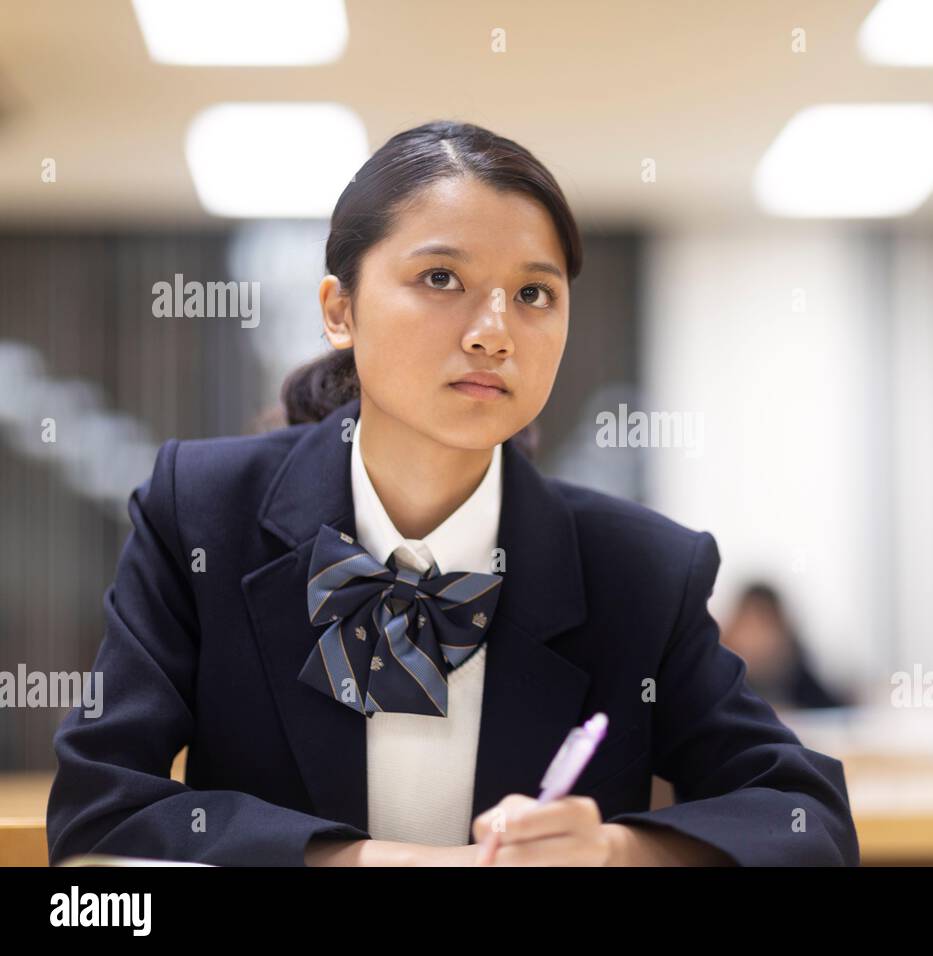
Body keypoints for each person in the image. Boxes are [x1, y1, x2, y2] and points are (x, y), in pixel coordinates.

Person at [45, 120, 858, 867]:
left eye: (535, 294)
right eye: (441, 277)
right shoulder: (200, 512)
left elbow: (806, 820)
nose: (494, 329)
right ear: (340, 309)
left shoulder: (640, 568)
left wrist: (611, 852)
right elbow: (99, 815)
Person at [722, 583, 851, 712]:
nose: (757, 637)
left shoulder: (793, 663)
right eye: (749, 626)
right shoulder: (721, 667)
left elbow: (828, 706)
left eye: (766, 625)